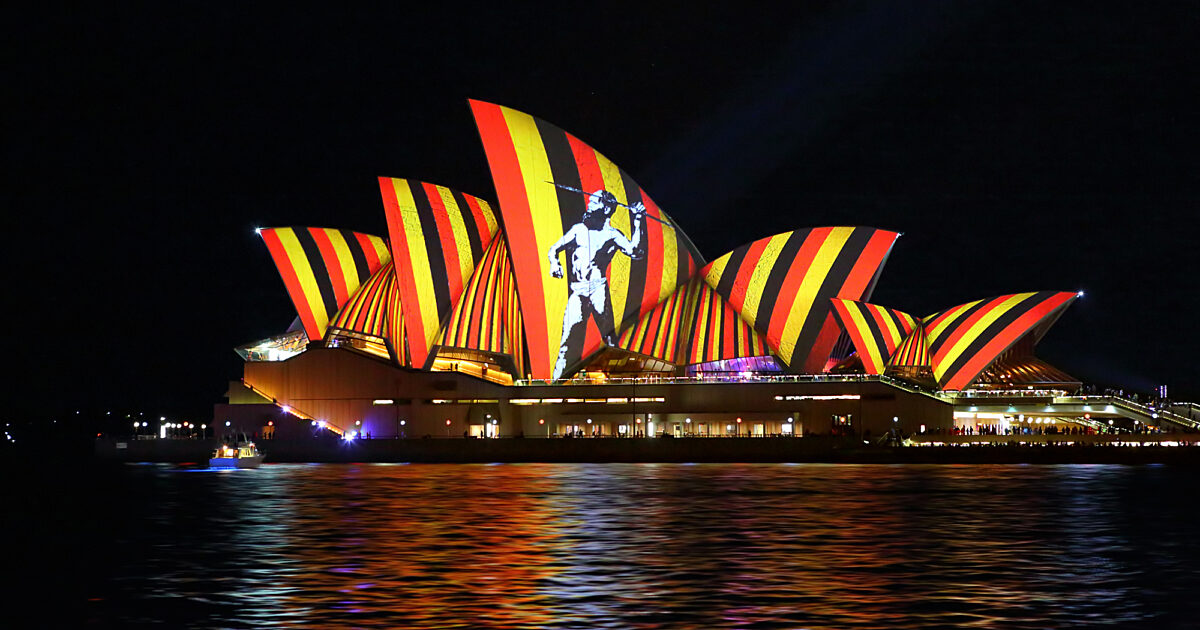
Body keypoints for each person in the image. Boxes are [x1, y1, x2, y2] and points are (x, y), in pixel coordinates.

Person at [546, 190, 645, 380]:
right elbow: (554, 249)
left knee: (609, 340)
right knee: (566, 343)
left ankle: (618, 381)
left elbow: (635, 251)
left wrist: (638, 220)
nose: (589, 205)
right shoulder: (579, 230)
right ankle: (555, 386)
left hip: (598, 289)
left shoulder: (612, 235)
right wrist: (554, 263)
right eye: (590, 201)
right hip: (578, 290)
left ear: (607, 208)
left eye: (595, 202)